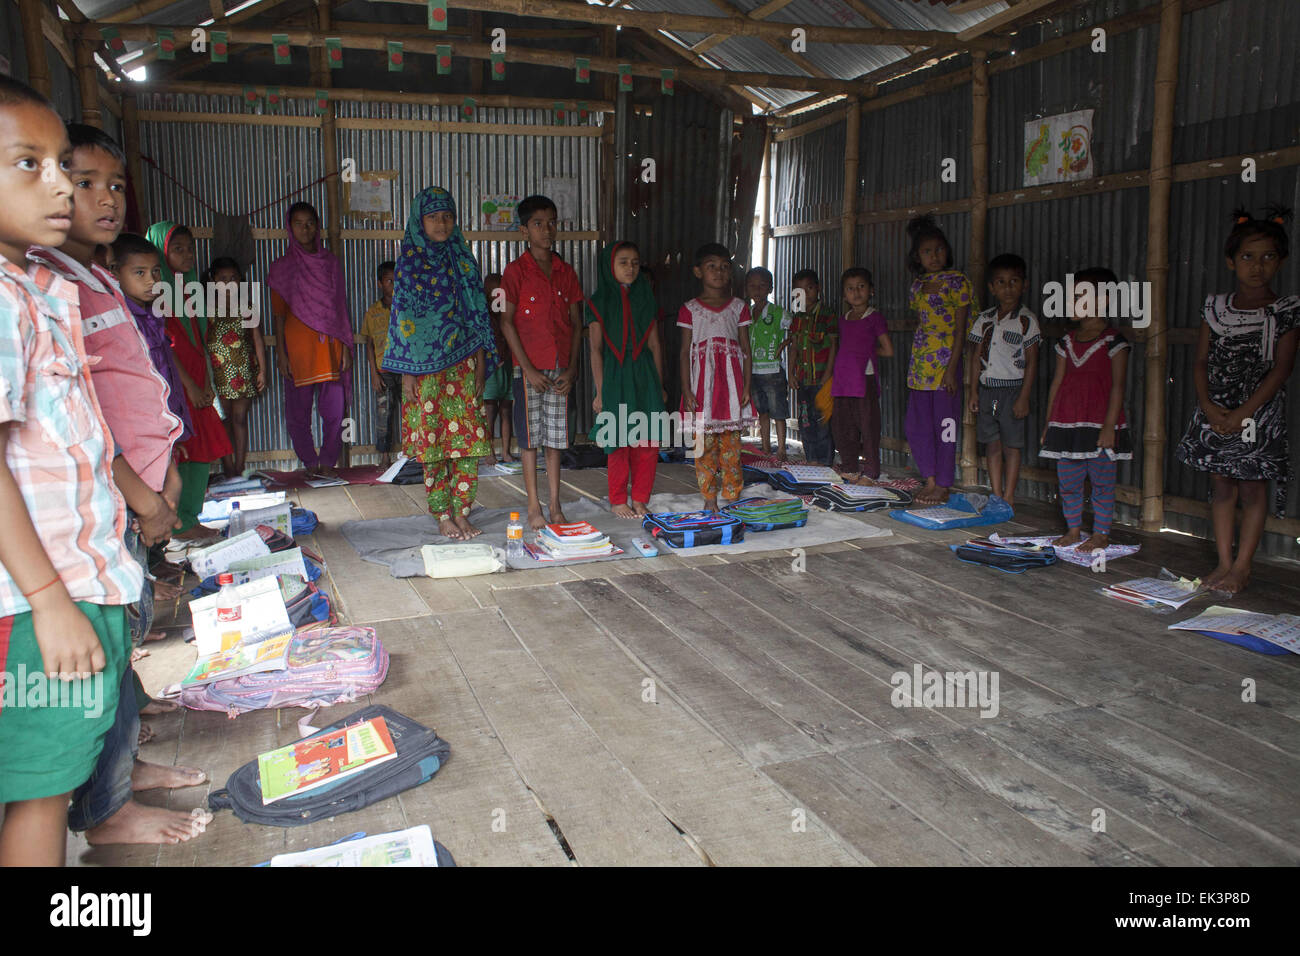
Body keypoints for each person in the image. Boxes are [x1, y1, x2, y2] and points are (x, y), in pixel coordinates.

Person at [0, 75, 141, 865]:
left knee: (49, 773)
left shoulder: (39, 286)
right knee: (40, 787)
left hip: (78, 579)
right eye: (31, 165)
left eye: (64, 163)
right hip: (38, 598)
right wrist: (50, 603)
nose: (59, 186)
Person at [1176, 208, 1299, 594]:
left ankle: (1243, 566)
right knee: (1222, 484)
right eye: (1248, 257)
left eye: (1268, 257)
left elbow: (1280, 369)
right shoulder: (1215, 307)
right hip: (1215, 409)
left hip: (1258, 413)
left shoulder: (1286, 311)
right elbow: (1199, 361)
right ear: (1232, 261)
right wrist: (1210, 408)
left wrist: (1244, 413)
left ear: (1280, 261)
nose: (1257, 266)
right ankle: (1224, 563)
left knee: (1252, 487)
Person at [382, 187, 496, 540]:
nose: (442, 223)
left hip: (463, 365)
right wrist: (406, 376)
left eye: (447, 216)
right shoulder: (410, 264)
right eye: (433, 217)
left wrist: (480, 364)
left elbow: (477, 317)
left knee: (467, 441)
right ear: (420, 220)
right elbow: (401, 323)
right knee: (432, 444)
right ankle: (442, 514)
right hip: (424, 371)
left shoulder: (463, 260)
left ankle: (463, 511)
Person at [145, 220, 231, 544]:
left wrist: (206, 380)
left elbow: (199, 340)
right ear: (159, 252)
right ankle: (179, 525)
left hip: (197, 378)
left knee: (203, 450)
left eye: (189, 248)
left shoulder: (188, 287)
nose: (187, 255)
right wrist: (190, 387)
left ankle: (190, 517)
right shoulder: (155, 294)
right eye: (177, 249)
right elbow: (167, 346)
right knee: (185, 450)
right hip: (176, 383)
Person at [500, 195, 583, 530]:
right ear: (524, 230)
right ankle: (534, 506)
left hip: (561, 368)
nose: (547, 230)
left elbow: (577, 323)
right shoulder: (515, 272)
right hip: (528, 370)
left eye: (552, 222)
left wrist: (573, 368)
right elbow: (506, 322)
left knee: (556, 440)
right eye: (538, 223)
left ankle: (555, 504)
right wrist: (528, 369)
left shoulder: (566, 272)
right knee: (530, 440)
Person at [1040, 267, 1133, 553]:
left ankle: (1101, 533)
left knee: (1102, 482)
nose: (1071, 302)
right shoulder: (1065, 342)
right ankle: (1074, 529)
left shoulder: (1113, 341)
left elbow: (1118, 387)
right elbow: (1057, 383)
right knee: (1068, 481)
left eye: (1080, 296)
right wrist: (1049, 424)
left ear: (1103, 301)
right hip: (1066, 424)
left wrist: (1108, 427)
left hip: (1099, 425)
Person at [267, 201, 353, 478]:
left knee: (335, 410)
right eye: (298, 224)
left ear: (317, 226)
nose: (305, 229)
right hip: (297, 349)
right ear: (290, 229)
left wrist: (345, 346)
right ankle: (309, 462)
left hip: (329, 345)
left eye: (310, 223)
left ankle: (328, 462)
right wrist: (281, 353)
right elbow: (279, 316)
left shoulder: (330, 263)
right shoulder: (282, 267)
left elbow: (339, 306)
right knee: (297, 413)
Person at [586, 241, 667, 517]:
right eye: (623, 262)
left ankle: (641, 497)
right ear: (610, 266)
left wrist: (659, 384)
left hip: (643, 373)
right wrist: (599, 391)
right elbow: (595, 349)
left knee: (647, 438)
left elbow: (655, 345)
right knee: (618, 439)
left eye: (634, 262)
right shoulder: (598, 301)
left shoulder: (646, 298)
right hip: (615, 373)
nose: (630, 267)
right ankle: (618, 499)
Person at [679, 243, 755, 510]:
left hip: (732, 388)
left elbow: (746, 349)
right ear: (698, 272)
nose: (719, 272)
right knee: (704, 448)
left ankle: (732, 497)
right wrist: (687, 390)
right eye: (712, 266)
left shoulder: (739, 308)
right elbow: (684, 351)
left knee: (732, 449)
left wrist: (747, 385)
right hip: (702, 389)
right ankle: (709, 498)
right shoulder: (690, 309)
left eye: (725, 267)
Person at [904, 215, 973, 505]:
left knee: (945, 426)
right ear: (917, 257)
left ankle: (944, 483)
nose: (934, 256)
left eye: (939, 249)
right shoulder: (917, 287)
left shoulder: (958, 282)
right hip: (920, 367)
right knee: (917, 426)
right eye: (927, 251)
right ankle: (929, 479)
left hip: (946, 367)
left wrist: (951, 369)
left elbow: (961, 329)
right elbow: (920, 318)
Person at [966, 253, 1040, 508]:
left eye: (1014, 281)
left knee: (1012, 446)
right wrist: (973, 393)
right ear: (991, 287)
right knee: (992, 445)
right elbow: (975, 358)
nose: (1008, 288)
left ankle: (1009, 496)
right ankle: (996, 495)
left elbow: (1032, 362)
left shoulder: (1026, 321)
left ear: (1024, 285)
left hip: (1013, 392)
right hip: (987, 391)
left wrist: (1024, 397)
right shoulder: (984, 319)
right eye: (1001, 282)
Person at [825, 268, 891, 481]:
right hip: (844, 381)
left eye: (861, 287)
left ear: (871, 290)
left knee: (868, 425)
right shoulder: (843, 319)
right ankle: (850, 467)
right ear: (844, 295)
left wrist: (867, 352)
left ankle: (871, 471)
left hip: (864, 379)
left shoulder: (875, 318)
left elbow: (888, 350)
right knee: (843, 426)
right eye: (850, 289)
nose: (856, 292)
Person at [205, 256, 266, 478]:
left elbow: (257, 339)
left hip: (243, 372)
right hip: (218, 375)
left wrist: (263, 371)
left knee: (240, 419)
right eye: (223, 279)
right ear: (213, 281)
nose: (229, 283)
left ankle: (239, 468)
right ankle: (228, 468)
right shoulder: (206, 308)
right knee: (225, 421)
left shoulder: (247, 307)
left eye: (233, 278)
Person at [788, 268, 836, 464]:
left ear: (818, 289)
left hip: (822, 379)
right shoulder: (797, 317)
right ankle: (811, 460)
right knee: (805, 421)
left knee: (822, 421)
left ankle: (825, 462)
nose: (805, 294)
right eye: (799, 290)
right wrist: (790, 373)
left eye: (809, 288)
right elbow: (794, 347)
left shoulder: (827, 314)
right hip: (803, 379)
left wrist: (827, 375)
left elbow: (834, 346)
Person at [745, 266, 792, 460]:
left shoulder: (778, 313)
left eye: (762, 286)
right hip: (752, 371)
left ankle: (781, 450)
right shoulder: (745, 313)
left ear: (770, 289)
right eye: (753, 286)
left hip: (773, 371)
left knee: (778, 412)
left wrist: (785, 344)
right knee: (762, 411)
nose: (757, 290)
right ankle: (765, 448)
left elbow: (797, 330)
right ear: (747, 288)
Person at [361, 260, 400, 467]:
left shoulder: (406, 308)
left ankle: (413, 455)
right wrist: (373, 374)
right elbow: (369, 345)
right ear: (379, 283)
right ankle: (385, 457)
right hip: (383, 371)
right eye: (389, 281)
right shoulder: (373, 311)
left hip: (405, 370)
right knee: (384, 415)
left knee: (413, 412)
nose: (394, 285)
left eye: (397, 280)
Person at [481, 272, 515, 466]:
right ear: (486, 292)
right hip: (490, 368)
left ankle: (507, 452)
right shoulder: (484, 314)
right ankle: (489, 452)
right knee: (490, 411)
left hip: (508, 366)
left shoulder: (507, 311)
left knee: (506, 410)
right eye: (493, 291)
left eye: (500, 291)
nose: (497, 295)